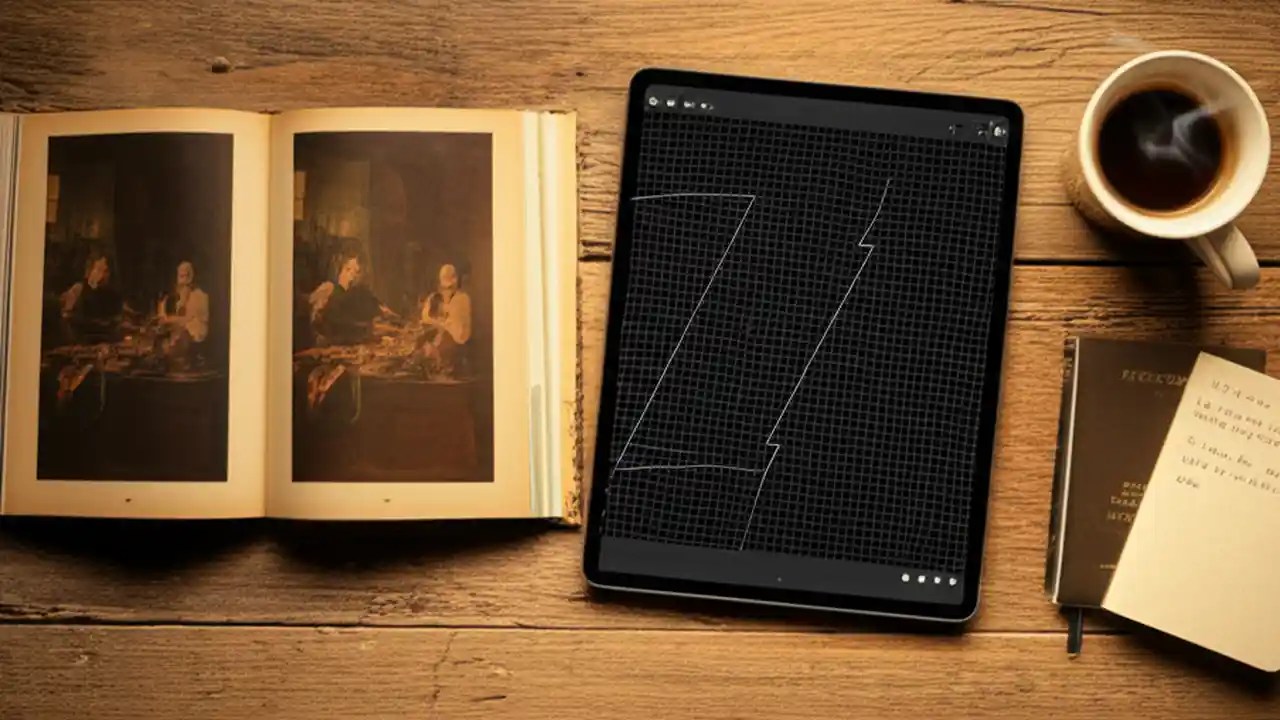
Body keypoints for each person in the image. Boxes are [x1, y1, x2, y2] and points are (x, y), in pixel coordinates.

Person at [309, 255, 393, 345]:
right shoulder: (330, 290)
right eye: (348, 270)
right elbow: (337, 326)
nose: (352, 277)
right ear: (339, 270)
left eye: (356, 272)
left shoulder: (355, 294)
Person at [421, 263, 472, 376]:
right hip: (441, 344)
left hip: (454, 348)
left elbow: (460, 335)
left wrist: (441, 323)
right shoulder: (434, 298)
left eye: (449, 288)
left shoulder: (461, 300)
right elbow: (425, 317)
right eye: (444, 288)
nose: (446, 291)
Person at [60, 254, 123, 343]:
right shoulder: (78, 290)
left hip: (106, 342)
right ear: (89, 272)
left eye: (106, 271)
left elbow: (116, 322)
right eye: (98, 270)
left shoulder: (113, 295)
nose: (102, 275)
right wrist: (90, 287)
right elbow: (68, 319)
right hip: (81, 341)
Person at [157, 260, 210, 363]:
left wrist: (168, 320)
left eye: (185, 276)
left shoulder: (199, 296)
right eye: (180, 276)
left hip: (195, 335)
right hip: (184, 333)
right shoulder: (181, 296)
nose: (183, 281)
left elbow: (188, 319)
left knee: (168, 348)